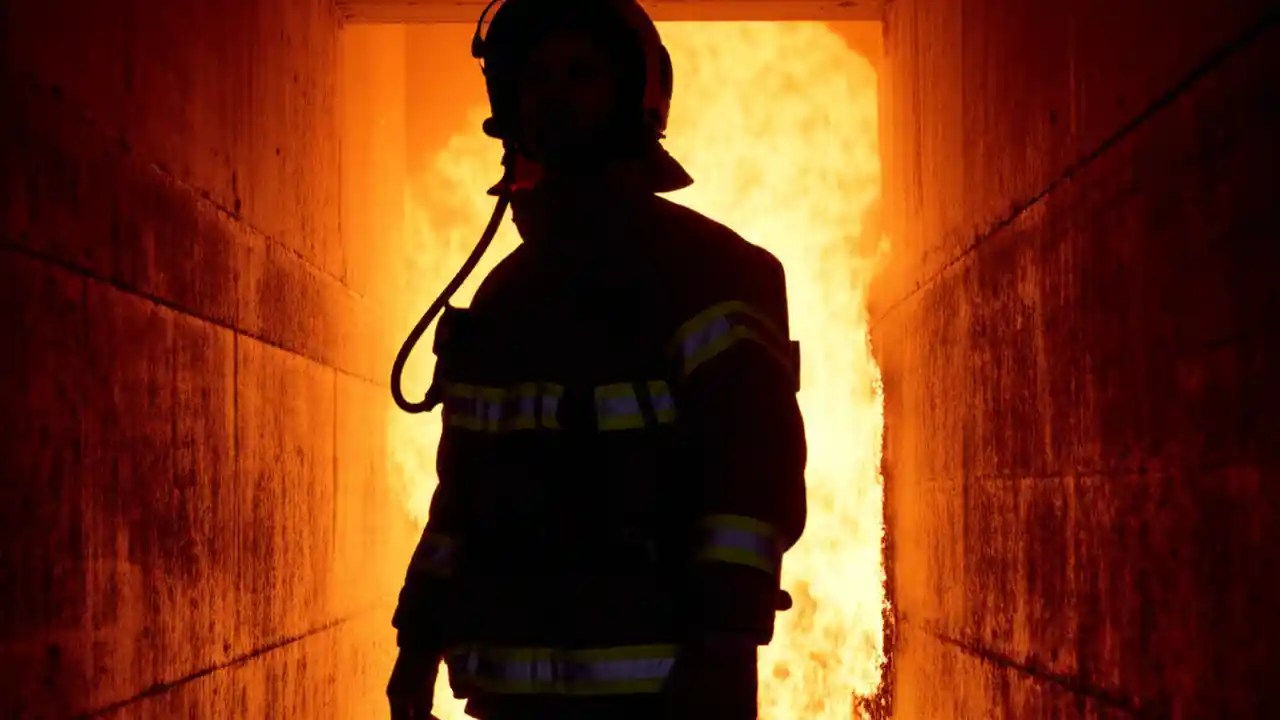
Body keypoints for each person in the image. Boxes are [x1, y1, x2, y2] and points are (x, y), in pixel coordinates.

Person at [386, 1, 807, 718]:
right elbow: (460, 496)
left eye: (581, 74)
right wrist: (418, 640)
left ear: (633, 96)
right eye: (538, 76)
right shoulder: (503, 299)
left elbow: (748, 490)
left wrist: (726, 652)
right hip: (507, 705)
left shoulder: (712, 276)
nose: (554, 96)